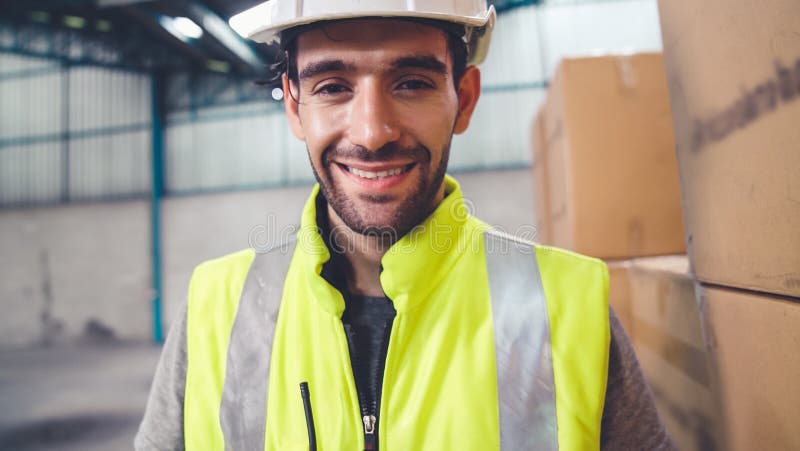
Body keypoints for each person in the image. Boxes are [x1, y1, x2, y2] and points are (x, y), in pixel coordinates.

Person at [136, 1, 674, 449]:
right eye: (332, 86)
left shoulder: (566, 307)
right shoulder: (216, 307)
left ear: (462, 101)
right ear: (295, 108)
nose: (372, 132)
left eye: (412, 82)